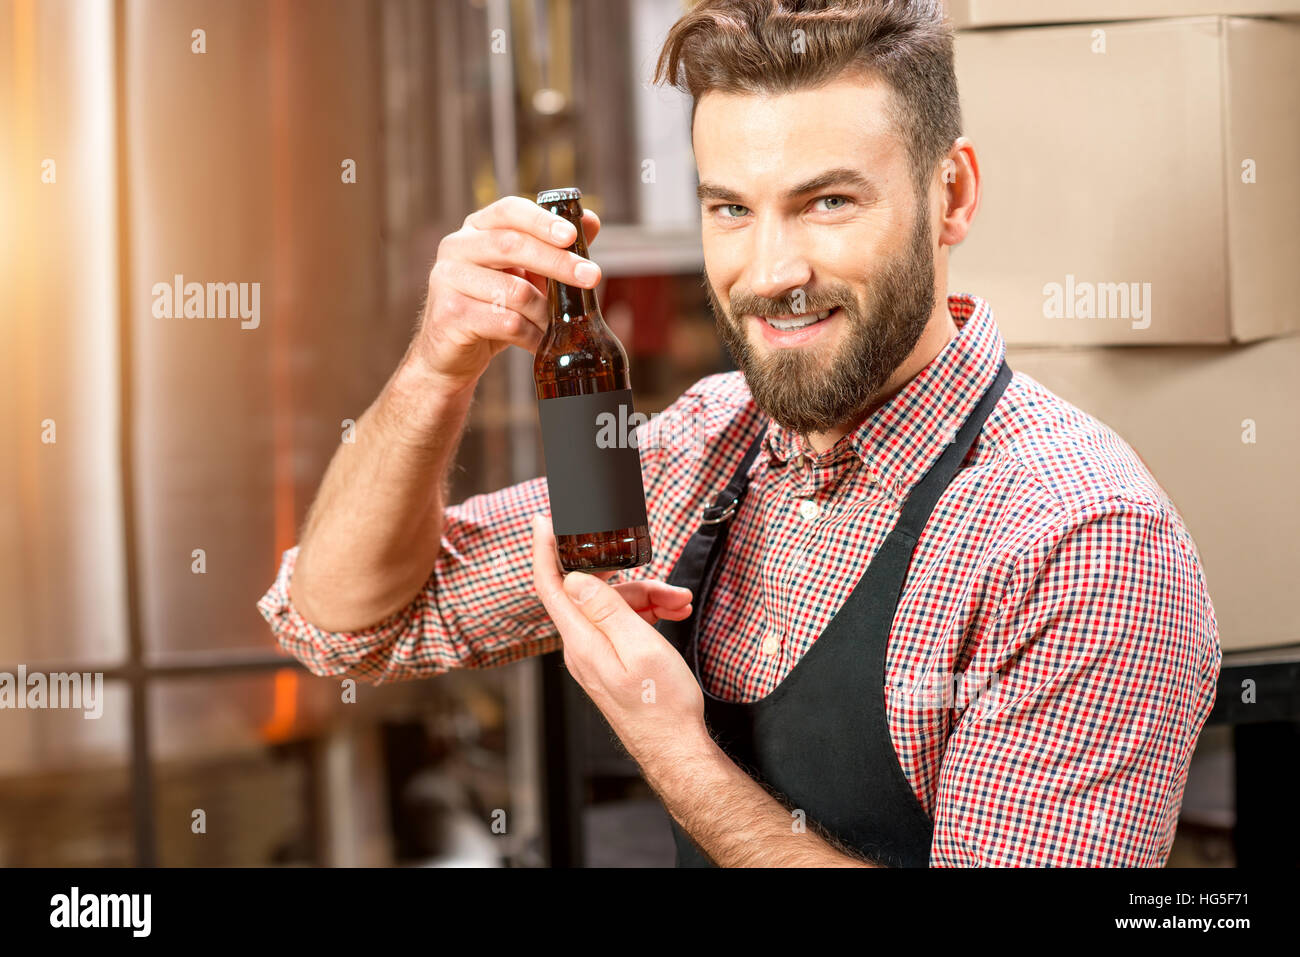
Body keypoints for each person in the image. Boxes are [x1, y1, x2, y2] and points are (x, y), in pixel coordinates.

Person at [257, 0, 1220, 867]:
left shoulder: (1079, 538)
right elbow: (347, 622)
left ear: (953, 195)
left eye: (828, 201)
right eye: (730, 208)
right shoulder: (714, 443)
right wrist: (436, 366)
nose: (771, 270)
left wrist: (674, 749)